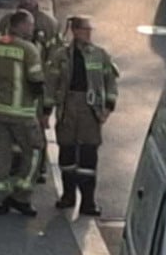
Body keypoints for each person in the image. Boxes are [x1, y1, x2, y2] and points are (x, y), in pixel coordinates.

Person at [46, 17, 120, 216]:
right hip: (67, 108)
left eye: (90, 30)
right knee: (67, 154)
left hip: (90, 109)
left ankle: (88, 202)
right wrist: (46, 111)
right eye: (85, 30)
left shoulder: (100, 55)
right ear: (75, 31)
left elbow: (110, 81)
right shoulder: (61, 56)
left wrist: (108, 106)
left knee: (88, 156)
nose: (89, 33)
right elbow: (51, 83)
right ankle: (68, 195)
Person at [0, 10, 46, 216]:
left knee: (0, 154)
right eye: (30, 24)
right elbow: (36, 80)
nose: (32, 28)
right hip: (23, 113)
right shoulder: (29, 49)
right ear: (21, 25)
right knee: (34, 152)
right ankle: (21, 196)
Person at [0, 0, 62, 184]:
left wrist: (49, 83)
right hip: (13, 83)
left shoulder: (49, 24)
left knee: (37, 127)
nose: (26, 1)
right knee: (14, 127)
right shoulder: (7, 22)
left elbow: (55, 56)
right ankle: (16, 164)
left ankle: (39, 166)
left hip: (37, 84)